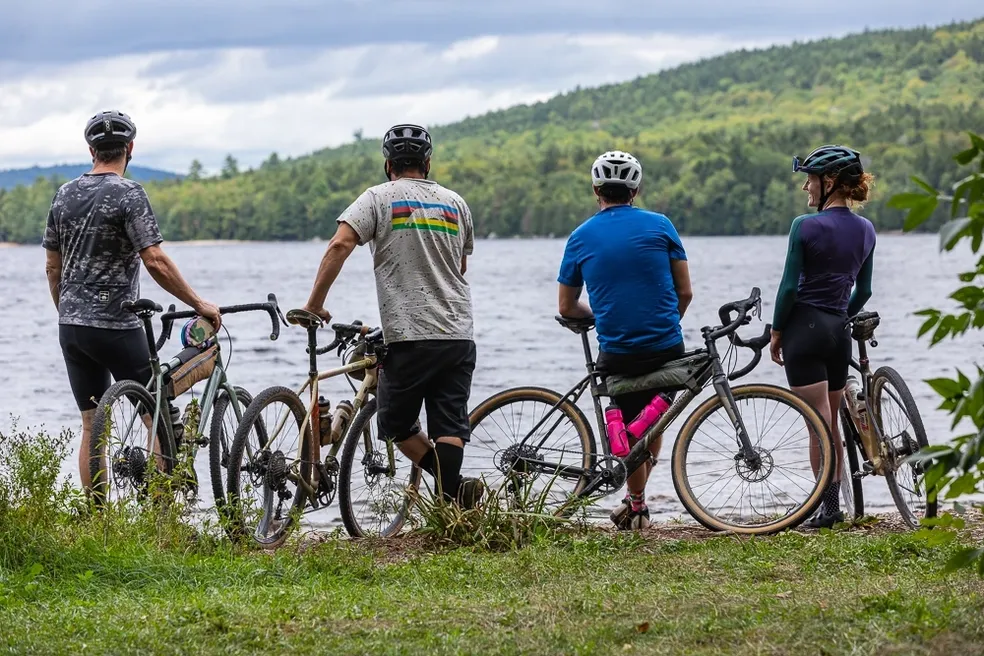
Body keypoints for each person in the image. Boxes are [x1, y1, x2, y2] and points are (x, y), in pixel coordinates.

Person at [301, 123, 483, 508]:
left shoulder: (377, 198)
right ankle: (454, 501)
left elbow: (340, 244)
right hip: (457, 332)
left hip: (409, 334)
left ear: (388, 165)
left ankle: (449, 485)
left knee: (397, 425)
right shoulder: (456, 203)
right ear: (428, 162)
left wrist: (315, 304)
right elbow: (460, 265)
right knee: (450, 424)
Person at [43, 110, 221, 492]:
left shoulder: (64, 195)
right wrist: (199, 302)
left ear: (91, 150)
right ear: (130, 149)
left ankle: (97, 518)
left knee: (92, 424)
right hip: (116, 325)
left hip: (71, 326)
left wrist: (68, 311)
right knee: (155, 412)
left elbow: (52, 269)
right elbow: (155, 260)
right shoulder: (129, 193)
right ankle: (161, 512)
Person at [557, 150, 693, 530]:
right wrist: (662, 324)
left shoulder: (580, 236)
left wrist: (603, 318)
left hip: (617, 351)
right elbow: (685, 293)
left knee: (639, 427)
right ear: (636, 189)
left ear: (596, 189)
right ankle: (636, 504)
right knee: (652, 426)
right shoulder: (662, 225)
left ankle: (636, 505)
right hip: (667, 345)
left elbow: (567, 306)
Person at [770, 144, 876, 528]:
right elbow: (862, 292)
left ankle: (827, 507)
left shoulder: (805, 225)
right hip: (837, 332)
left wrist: (777, 331)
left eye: (810, 180)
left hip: (805, 332)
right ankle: (833, 505)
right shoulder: (866, 229)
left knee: (816, 424)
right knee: (831, 422)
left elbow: (787, 290)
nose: (806, 189)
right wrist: (837, 318)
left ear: (829, 182)